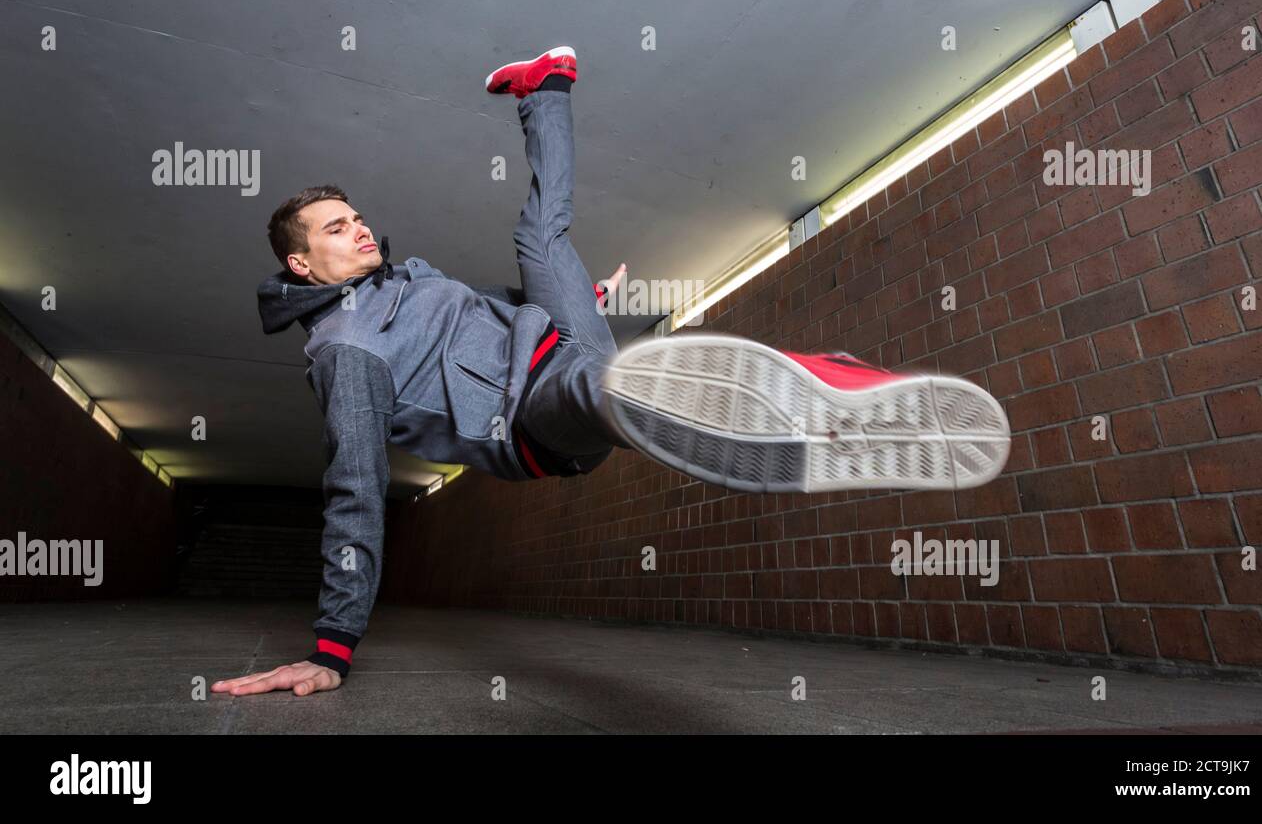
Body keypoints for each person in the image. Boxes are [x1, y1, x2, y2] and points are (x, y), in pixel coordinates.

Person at [214, 45, 1010, 698]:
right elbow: (353, 485)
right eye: (335, 228)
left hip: (559, 338)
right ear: (299, 261)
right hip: (535, 413)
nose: (360, 231)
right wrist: (332, 646)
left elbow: (472, 312)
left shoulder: (396, 277)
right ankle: (811, 383)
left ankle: (545, 87)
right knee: (609, 390)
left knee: (543, 235)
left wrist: (575, 302)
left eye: (356, 218)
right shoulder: (346, 352)